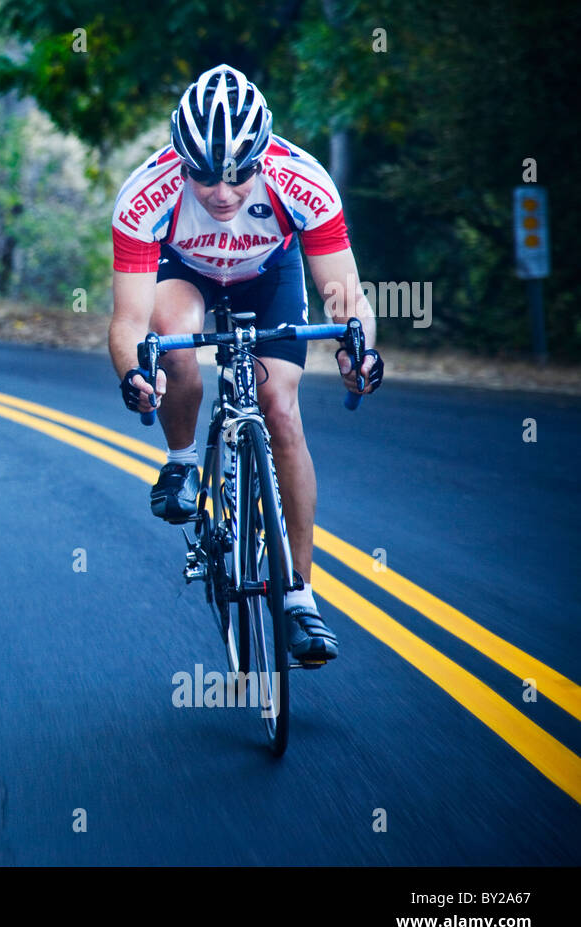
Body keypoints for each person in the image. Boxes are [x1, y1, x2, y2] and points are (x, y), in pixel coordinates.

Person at [107, 64, 383, 664]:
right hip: (188, 276)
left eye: (239, 174)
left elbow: (345, 297)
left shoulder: (302, 181)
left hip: (269, 278)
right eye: (204, 177)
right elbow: (128, 322)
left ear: (264, 158)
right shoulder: (144, 195)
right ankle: (182, 462)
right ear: (181, 162)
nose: (223, 193)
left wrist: (357, 349)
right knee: (171, 337)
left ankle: (300, 597)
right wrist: (135, 374)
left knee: (280, 409)